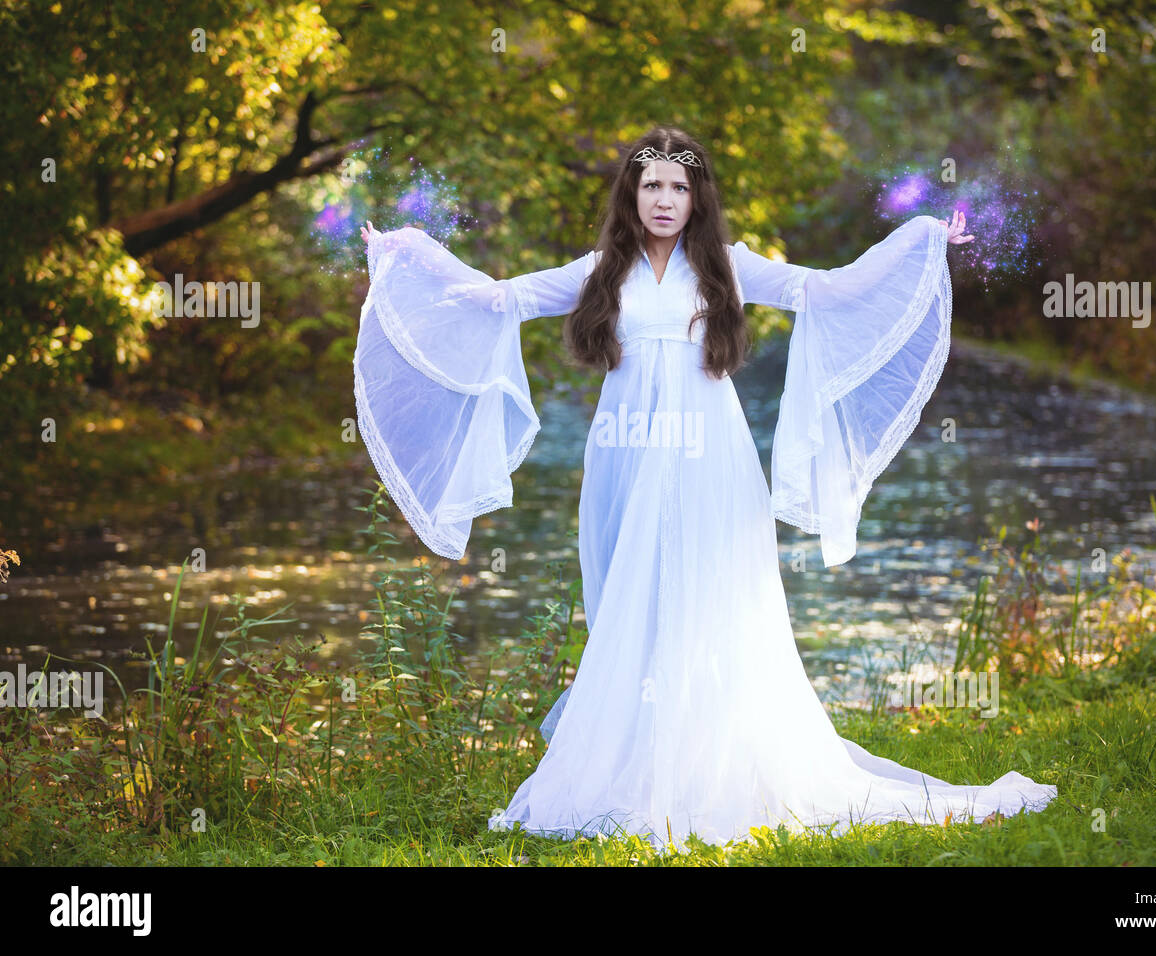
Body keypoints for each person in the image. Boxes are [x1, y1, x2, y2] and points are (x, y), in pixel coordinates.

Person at [355, 125, 1057, 848]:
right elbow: (499, 299)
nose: (664, 199)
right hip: (623, 452)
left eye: (679, 186)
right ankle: (633, 766)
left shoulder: (727, 264)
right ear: (632, 194)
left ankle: (714, 772)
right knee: (632, 598)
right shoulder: (602, 268)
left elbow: (825, 289)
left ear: (698, 198)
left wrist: (922, 238)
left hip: (710, 457)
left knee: (709, 595)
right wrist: (407, 256)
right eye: (651, 184)